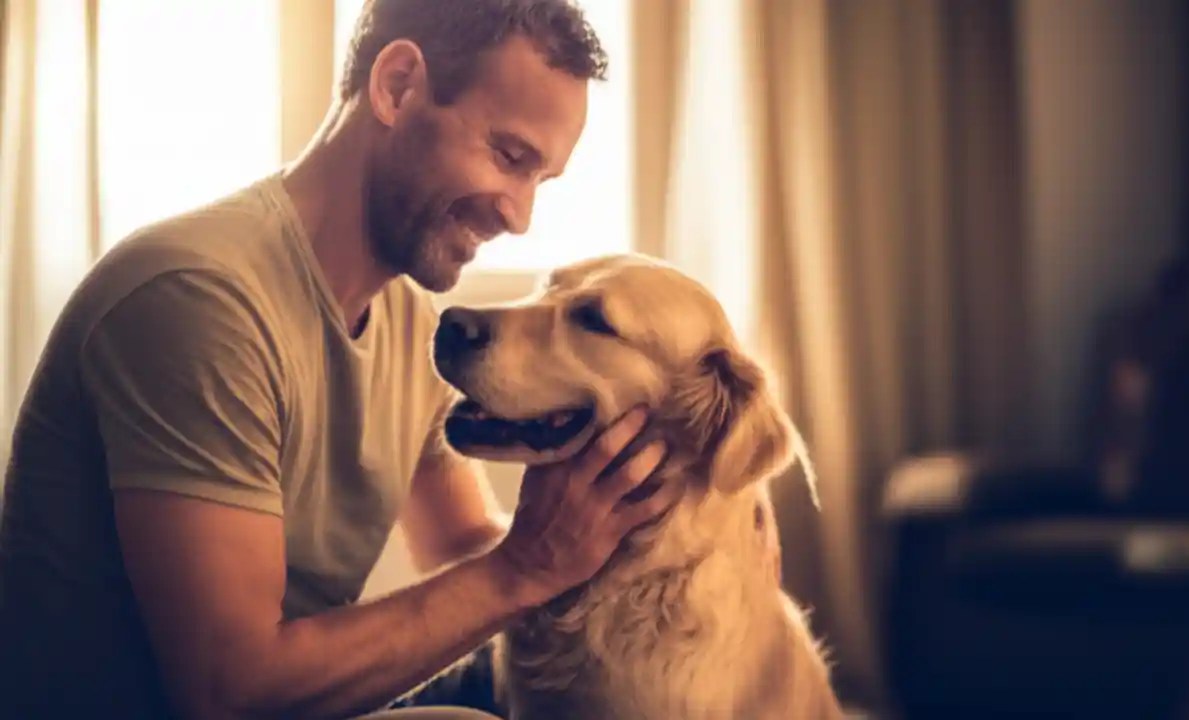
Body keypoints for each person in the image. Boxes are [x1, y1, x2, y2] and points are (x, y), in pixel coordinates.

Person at [0, 1, 681, 717]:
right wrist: (525, 568)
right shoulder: (198, 300)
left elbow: (463, 544)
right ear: (396, 86)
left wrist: (647, 546)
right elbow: (230, 690)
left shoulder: (405, 317)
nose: (518, 215)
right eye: (510, 158)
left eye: (539, 180)